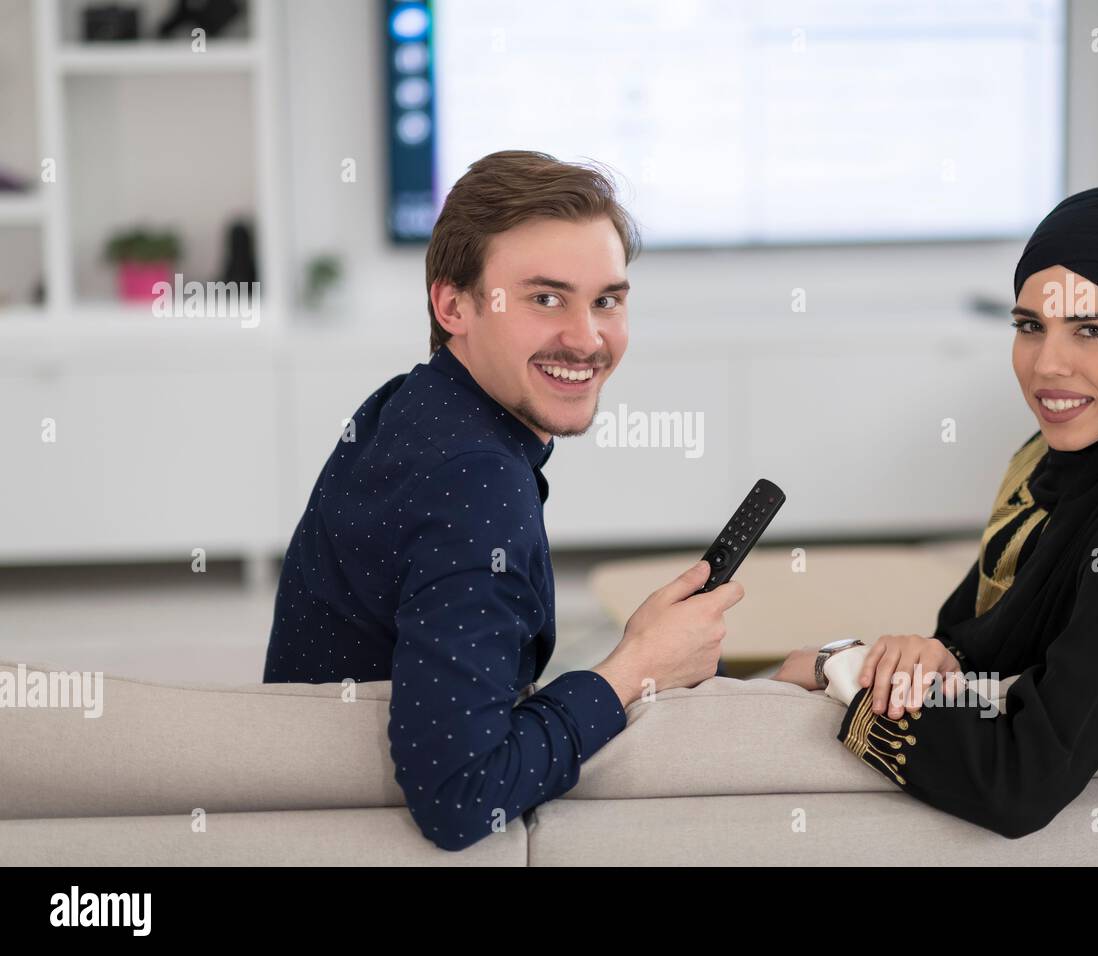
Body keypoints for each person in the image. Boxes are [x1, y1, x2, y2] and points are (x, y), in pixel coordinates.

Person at [263, 150, 743, 851]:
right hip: (345, 824)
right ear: (452, 305)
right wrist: (638, 668)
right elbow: (462, 797)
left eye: (606, 300)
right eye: (546, 298)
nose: (587, 339)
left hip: (299, 771)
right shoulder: (476, 481)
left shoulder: (410, 401)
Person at [773, 186, 1098, 838]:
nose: (1046, 365)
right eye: (1030, 326)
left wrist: (843, 667)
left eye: (1092, 329)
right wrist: (937, 657)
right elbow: (981, 638)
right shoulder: (1057, 462)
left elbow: (1020, 781)